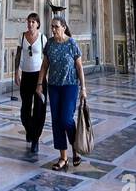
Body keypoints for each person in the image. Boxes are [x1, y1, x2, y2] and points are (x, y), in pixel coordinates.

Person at [36, 16, 85, 171]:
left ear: (64, 27)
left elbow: (79, 67)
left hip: (70, 86)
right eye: (52, 27)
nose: (53, 29)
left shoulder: (72, 43)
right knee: (57, 121)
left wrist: (84, 88)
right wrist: (40, 84)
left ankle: (75, 148)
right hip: (54, 86)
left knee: (66, 119)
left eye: (56, 26)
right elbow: (44, 65)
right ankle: (63, 157)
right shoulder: (49, 43)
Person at [17, 12, 47, 156]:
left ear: (38, 24)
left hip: (39, 77)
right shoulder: (22, 36)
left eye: (33, 22)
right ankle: (29, 129)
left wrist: (46, 78)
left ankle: (35, 139)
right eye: (28, 21)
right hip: (26, 76)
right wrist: (17, 72)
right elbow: (18, 55)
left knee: (39, 109)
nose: (30, 24)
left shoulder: (42, 38)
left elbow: (47, 59)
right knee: (25, 109)